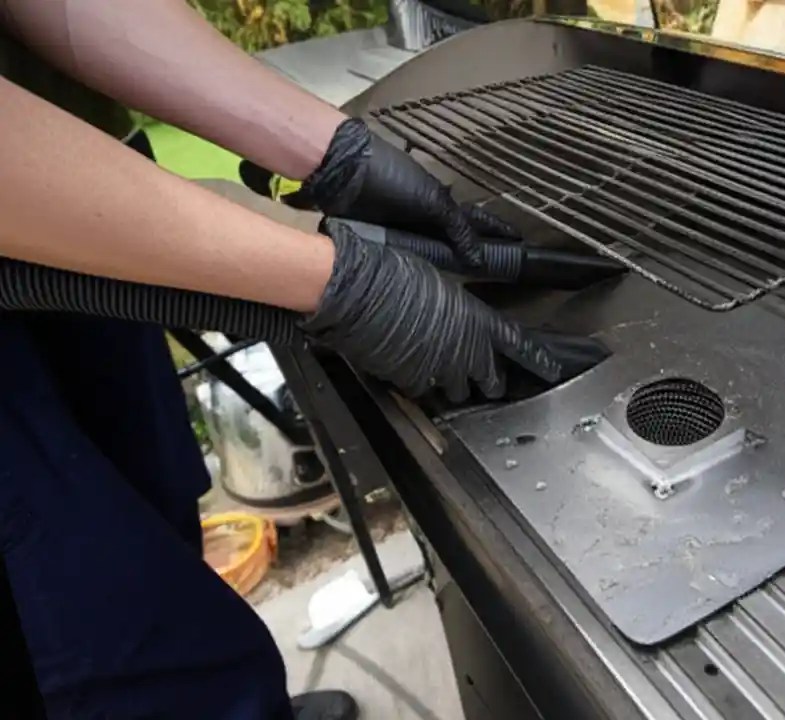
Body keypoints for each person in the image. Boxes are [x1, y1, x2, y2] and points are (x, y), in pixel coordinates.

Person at [0, 1, 594, 717]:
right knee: (119, 638)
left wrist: (333, 150)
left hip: (77, 184)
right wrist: (337, 284)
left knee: (153, 511)